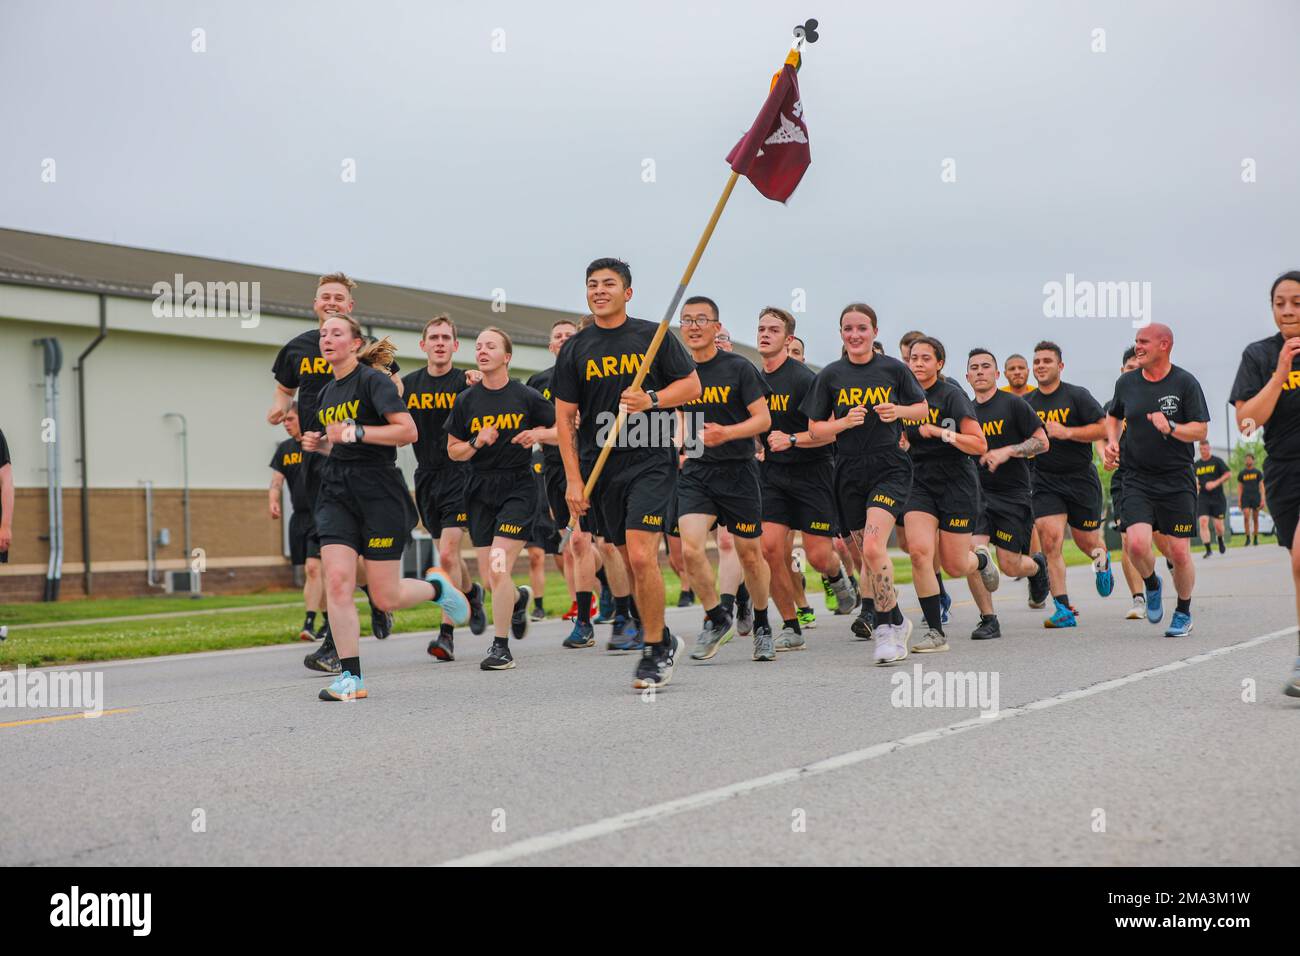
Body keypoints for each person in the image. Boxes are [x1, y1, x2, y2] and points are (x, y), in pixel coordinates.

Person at [301, 315, 469, 700]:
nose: (327, 339)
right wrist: (323, 445)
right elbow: (343, 441)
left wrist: (357, 431)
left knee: (384, 597)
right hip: (337, 492)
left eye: (337, 333)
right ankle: (351, 678)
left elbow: (407, 431)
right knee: (338, 580)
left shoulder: (372, 381)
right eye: (324, 333)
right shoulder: (327, 393)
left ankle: (435, 587)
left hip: (379, 492)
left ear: (355, 344)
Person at [553, 258, 701, 690]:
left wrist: (652, 399)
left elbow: (691, 387)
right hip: (602, 466)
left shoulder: (652, 336)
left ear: (627, 292)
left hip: (650, 459)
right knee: (623, 556)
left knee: (640, 554)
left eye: (609, 284)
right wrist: (574, 481)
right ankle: (663, 635)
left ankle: (654, 649)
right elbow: (564, 420)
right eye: (592, 284)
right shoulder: (575, 349)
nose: (600, 290)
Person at [270, 272, 403, 673]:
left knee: (358, 560)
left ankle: (377, 599)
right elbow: (284, 389)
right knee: (333, 561)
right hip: (319, 455)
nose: (330, 302)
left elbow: (395, 393)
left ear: (350, 309)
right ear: (314, 305)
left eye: (338, 298)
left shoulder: (367, 355)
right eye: (324, 296)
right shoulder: (298, 349)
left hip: (364, 461)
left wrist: (363, 424)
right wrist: (279, 408)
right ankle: (340, 642)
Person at [803, 304, 929, 664]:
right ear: (841, 333)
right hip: (848, 470)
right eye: (848, 329)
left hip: (888, 465)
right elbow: (815, 429)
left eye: (861, 328)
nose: (854, 335)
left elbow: (921, 408)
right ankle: (898, 620)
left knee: (874, 547)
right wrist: (842, 424)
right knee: (864, 555)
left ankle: (888, 626)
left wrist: (898, 411)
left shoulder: (893, 369)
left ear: (874, 331)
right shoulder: (830, 375)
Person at [665, 297, 775, 662]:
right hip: (697, 472)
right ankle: (716, 616)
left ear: (716, 326)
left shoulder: (739, 369)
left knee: (750, 554)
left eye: (701, 319)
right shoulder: (678, 373)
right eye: (687, 320)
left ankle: (761, 623)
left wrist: (726, 433)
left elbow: (763, 420)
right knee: (690, 548)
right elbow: (677, 416)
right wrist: (679, 441)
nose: (693, 326)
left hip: (739, 471)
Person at [445, 327, 557, 670]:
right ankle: (519, 598)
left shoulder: (525, 396)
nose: (482, 351)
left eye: (490, 346)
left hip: (518, 488)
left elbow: (566, 428)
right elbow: (453, 451)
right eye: (478, 346)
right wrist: (477, 442)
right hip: (479, 490)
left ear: (506, 356)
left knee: (496, 564)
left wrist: (538, 433)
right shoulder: (466, 401)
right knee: (494, 574)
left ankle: (500, 646)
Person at [754, 307, 858, 651]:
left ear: (788, 339)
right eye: (761, 329)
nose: (765, 334)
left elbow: (830, 434)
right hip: (772, 475)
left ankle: (836, 575)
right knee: (769, 549)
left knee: (817, 555)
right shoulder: (753, 379)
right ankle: (790, 624)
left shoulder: (803, 379)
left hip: (812, 472)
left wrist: (793, 439)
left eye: (773, 330)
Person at [1104, 323, 1210, 638]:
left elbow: (1201, 430)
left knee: (1178, 553)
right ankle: (1151, 583)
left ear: (1164, 345)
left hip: (1176, 478)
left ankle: (1183, 611)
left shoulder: (1185, 382)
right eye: (1136, 341)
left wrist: (1171, 428)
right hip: (1136, 477)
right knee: (1136, 544)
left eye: (1144, 342)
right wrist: (1112, 441)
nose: (1138, 347)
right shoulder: (1126, 383)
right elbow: (1113, 414)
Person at [900, 337, 1000, 654]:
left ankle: (981, 558)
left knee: (956, 565)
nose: (917, 363)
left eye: (925, 358)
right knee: (919, 553)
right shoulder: (901, 397)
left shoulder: (951, 395)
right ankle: (935, 631)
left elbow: (979, 445)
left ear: (939, 363)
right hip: (918, 482)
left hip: (956, 481)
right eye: (913, 358)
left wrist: (940, 432)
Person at [1229, 270, 1300, 694]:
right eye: (1280, 303)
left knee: (1299, 559)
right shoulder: (1258, 355)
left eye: (1297, 301)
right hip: (1285, 469)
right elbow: (1247, 423)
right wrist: (1280, 372)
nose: (1288, 310)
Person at [402, 315, 489, 662]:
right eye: (433, 338)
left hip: (460, 473)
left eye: (446, 338)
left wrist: (482, 382)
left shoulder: (466, 384)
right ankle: (471, 594)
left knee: (448, 555)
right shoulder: (408, 386)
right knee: (449, 554)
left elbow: (499, 396)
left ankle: (446, 635)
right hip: (426, 477)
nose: (440, 343)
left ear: (455, 345)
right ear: (423, 345)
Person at [1026, 340, 1114, 628]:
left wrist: (1066, 432)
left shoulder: (1077, 396)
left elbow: (1103, 428)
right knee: (1050, 541)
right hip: (1045, 481)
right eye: (1037, 361)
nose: (1040, 366)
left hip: (1080, 478)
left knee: (1087, 542)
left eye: (1047, 361)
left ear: (1060, 366)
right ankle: (1062, 608)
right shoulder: (1027, 404)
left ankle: (1102, 560)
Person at [964, 349, 1051, 639]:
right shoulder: (964, 410)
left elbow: (1042, 443)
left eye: (985, 366)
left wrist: (1008, 451)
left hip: (1013, 493)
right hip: (976, 493)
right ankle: (988, 619)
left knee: (1010, 565)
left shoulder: (1014, 405)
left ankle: (1036, 567)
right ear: (967, 376)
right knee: (974, 553)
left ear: (996, 374)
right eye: (974, 367)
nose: (979, 371)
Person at [1102, 347, 1169, 620]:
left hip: (1162, 477)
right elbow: (1102, 438)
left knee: (1166, 544)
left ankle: (1174, 572)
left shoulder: (1160, 401)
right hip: (1127, 479)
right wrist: (1106, 455)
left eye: (1138, 368)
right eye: (1129, 368)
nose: (1134, 373)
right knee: (1130, 541)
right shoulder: (1112, 408)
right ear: (1122, 372)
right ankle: (1139, 597)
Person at [269, 405, 324, 641]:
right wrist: (273, 500)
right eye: (284, 421)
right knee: (312, 572)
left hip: (321, 516)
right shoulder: (285, 449)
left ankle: (309, 622)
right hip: (299, 517)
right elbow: (276, 481)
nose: (286, 423)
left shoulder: (319, 445)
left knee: (314, 569)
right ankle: (330, 621)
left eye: (290, 419)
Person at [1194, 440, 1231, 556]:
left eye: (1205, 449)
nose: (1203, 451)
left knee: (1218, 526)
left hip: (1217, 497)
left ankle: (1220, 539)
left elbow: (1228, 474)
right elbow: (1193, 479)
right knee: (1203, 522)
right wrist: (1196, 485)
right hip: (1203, 498)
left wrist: (1215, 483)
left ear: (1209, 448)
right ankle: (1208, 549)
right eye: (1201, 449)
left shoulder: (1217, 461)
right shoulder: (1196, 465)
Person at [1237, 452, 1264, 546]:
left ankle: (1255, 538)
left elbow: (1261, 486)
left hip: (1256, 497)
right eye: (1246, 459)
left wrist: (1262, 499)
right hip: (1245, 498)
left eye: (1249, 459)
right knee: (1246, 516)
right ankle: (1248, 538)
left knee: (1256, 518)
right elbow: (1240, 487)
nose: (1248, 460)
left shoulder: (1257, 472)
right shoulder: (1242, 473)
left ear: (1253, 460)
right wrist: (1239, 500)